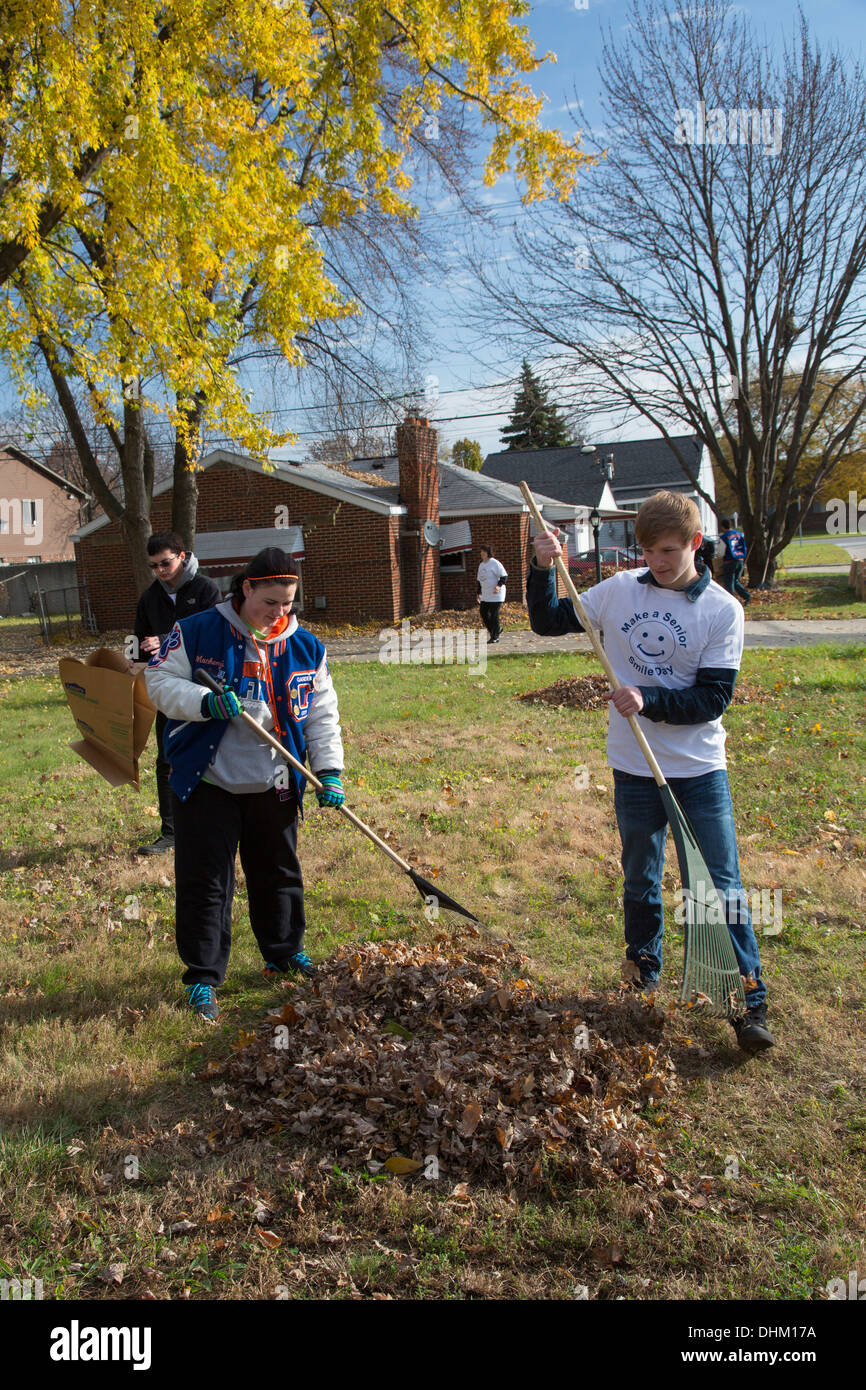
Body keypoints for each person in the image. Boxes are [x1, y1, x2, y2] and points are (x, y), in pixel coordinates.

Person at [526, 491, 773, 1054]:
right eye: (647, 551)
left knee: (717, 887)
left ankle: (746, 1003)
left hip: (697, 771)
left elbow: (713, 698)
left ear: (694, 544)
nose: (656, 562)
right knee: (640, 874)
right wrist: (543, 566)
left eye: (667, 551)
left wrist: (649, 697)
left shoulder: (721, 610)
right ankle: (644, 969)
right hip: (633, 767)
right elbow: (547, 622)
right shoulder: (618, 591)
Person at [144, 547, 345, 1022]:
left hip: (275, 779)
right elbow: (159, 683)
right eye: (269, 601)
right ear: (246, 588)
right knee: (206, 881)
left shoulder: (305, 647)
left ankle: (283, 952)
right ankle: (202, 977)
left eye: (288, 604)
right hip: (208, 780)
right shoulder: (197, 632)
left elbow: (321, 715)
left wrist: (329, 771)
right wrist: (204, 703)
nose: (279, 613)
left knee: (278, 872)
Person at [133, 533, 221, 854]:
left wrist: (164, 638)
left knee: (209, 755)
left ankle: (213, 824)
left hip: (203, 688)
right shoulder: (149, 598)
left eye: (166, 563)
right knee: (167, 758)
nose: (160, 570)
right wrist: (138, 652)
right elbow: (136, 643)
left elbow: (214, 637)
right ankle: (171, 832)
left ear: (182, 556)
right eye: (154, 566)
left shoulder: (207, 590)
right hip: (167, 690)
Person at [476, 544, 507, 643]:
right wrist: (478, 593)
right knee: (483, 613)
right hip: (486, 594)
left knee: (494, 614)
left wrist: (498, 586)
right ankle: (495, 630)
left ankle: (495, 636)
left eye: (483, 551)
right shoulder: (481, 565)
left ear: (488, 552)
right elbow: (479, 581)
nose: (481, 553)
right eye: (481, 551)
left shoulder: (494, 563)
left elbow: (504, 576)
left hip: (496, 594)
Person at [718, 518, 751, 604]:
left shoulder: (724, 537)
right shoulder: (739, 534)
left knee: (729, 582)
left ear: (722, 527)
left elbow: (721, 552)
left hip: (729, 561)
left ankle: (730, 601)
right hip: (740, 560)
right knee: (736, 580)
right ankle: (746, 596)